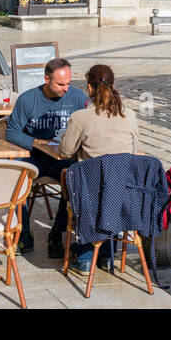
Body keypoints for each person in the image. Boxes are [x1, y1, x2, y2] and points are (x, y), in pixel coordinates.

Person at [57, 64, 139, 273]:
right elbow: (134, 149)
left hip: (90, 194)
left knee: (84, 186)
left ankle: (85, 256)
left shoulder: (81, 117)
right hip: (122, 192)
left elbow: (65, 152)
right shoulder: (129, 115)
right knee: (108, 189)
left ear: (90, 89)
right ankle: (107, 255)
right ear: (114, 85)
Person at [5, 58, 90, 258]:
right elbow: (12, 132)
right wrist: (36, 143)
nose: (66, 89)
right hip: (35, 157)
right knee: (16, 176)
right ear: (46, 79)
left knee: (75, 177)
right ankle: (24, 232)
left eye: (68, 83)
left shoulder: (78, 97)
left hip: (63, 157)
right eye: (61, 84)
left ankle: (58, 232)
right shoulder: (28, 99)